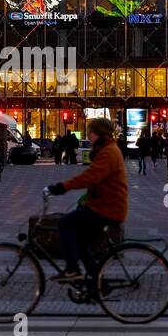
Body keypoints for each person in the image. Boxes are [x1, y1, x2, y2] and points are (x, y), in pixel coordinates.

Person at [46, 118, 128, 287]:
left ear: (99, 134)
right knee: (81, 244)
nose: (89, 135)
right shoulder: (106, 150)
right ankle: (99, 284)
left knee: (65, 224)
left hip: (107, 208)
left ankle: (73, 270)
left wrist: (63, 187)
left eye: (91, 132)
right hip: (103, 205)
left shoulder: (108, 152)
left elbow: (91, 176)